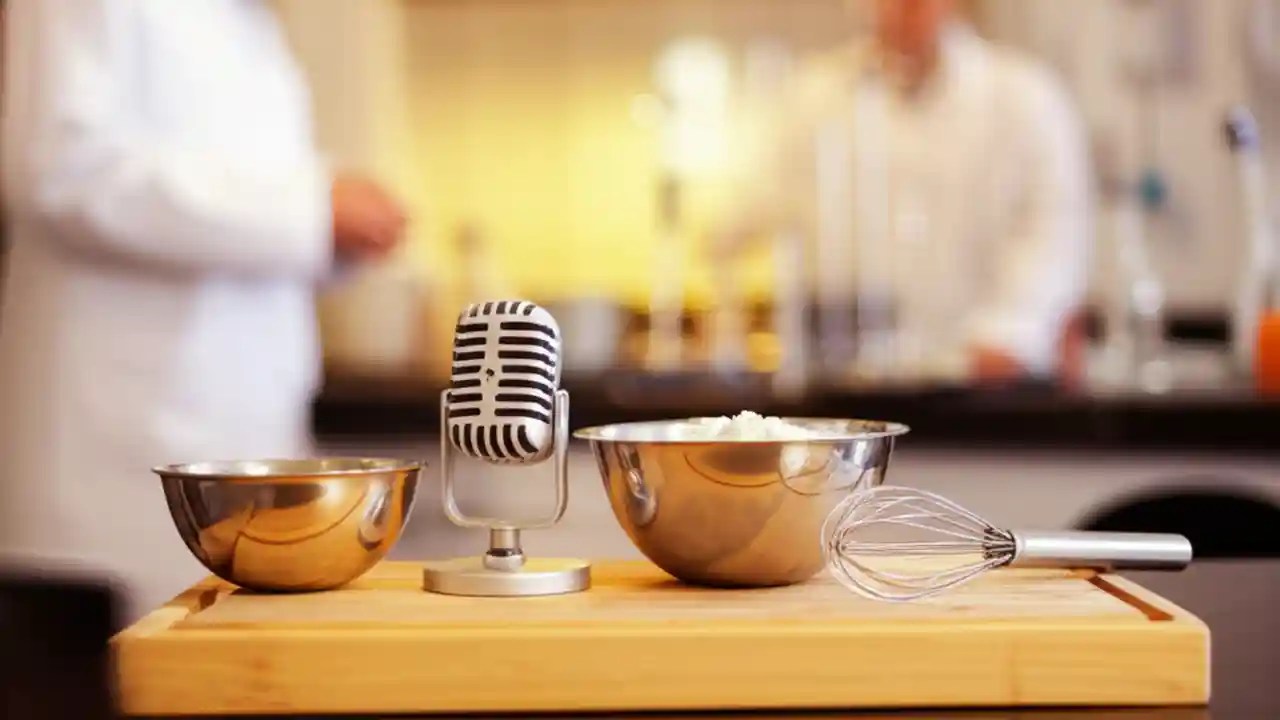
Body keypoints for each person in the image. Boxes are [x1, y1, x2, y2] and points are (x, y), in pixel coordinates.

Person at [0, 0, 407, 621]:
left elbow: (248, 193)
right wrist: (311, 208)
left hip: (238, 438)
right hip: (116, 457)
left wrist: (335, 226)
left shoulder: (247, 22)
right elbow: (61, 173)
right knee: (122, 657)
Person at [728, 0, 1091, 383]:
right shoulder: (809, 99)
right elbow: (743, 212)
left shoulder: (1026, 98)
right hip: (849, 383)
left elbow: (1055, 235)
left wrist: (1008, 332)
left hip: (992, 388)